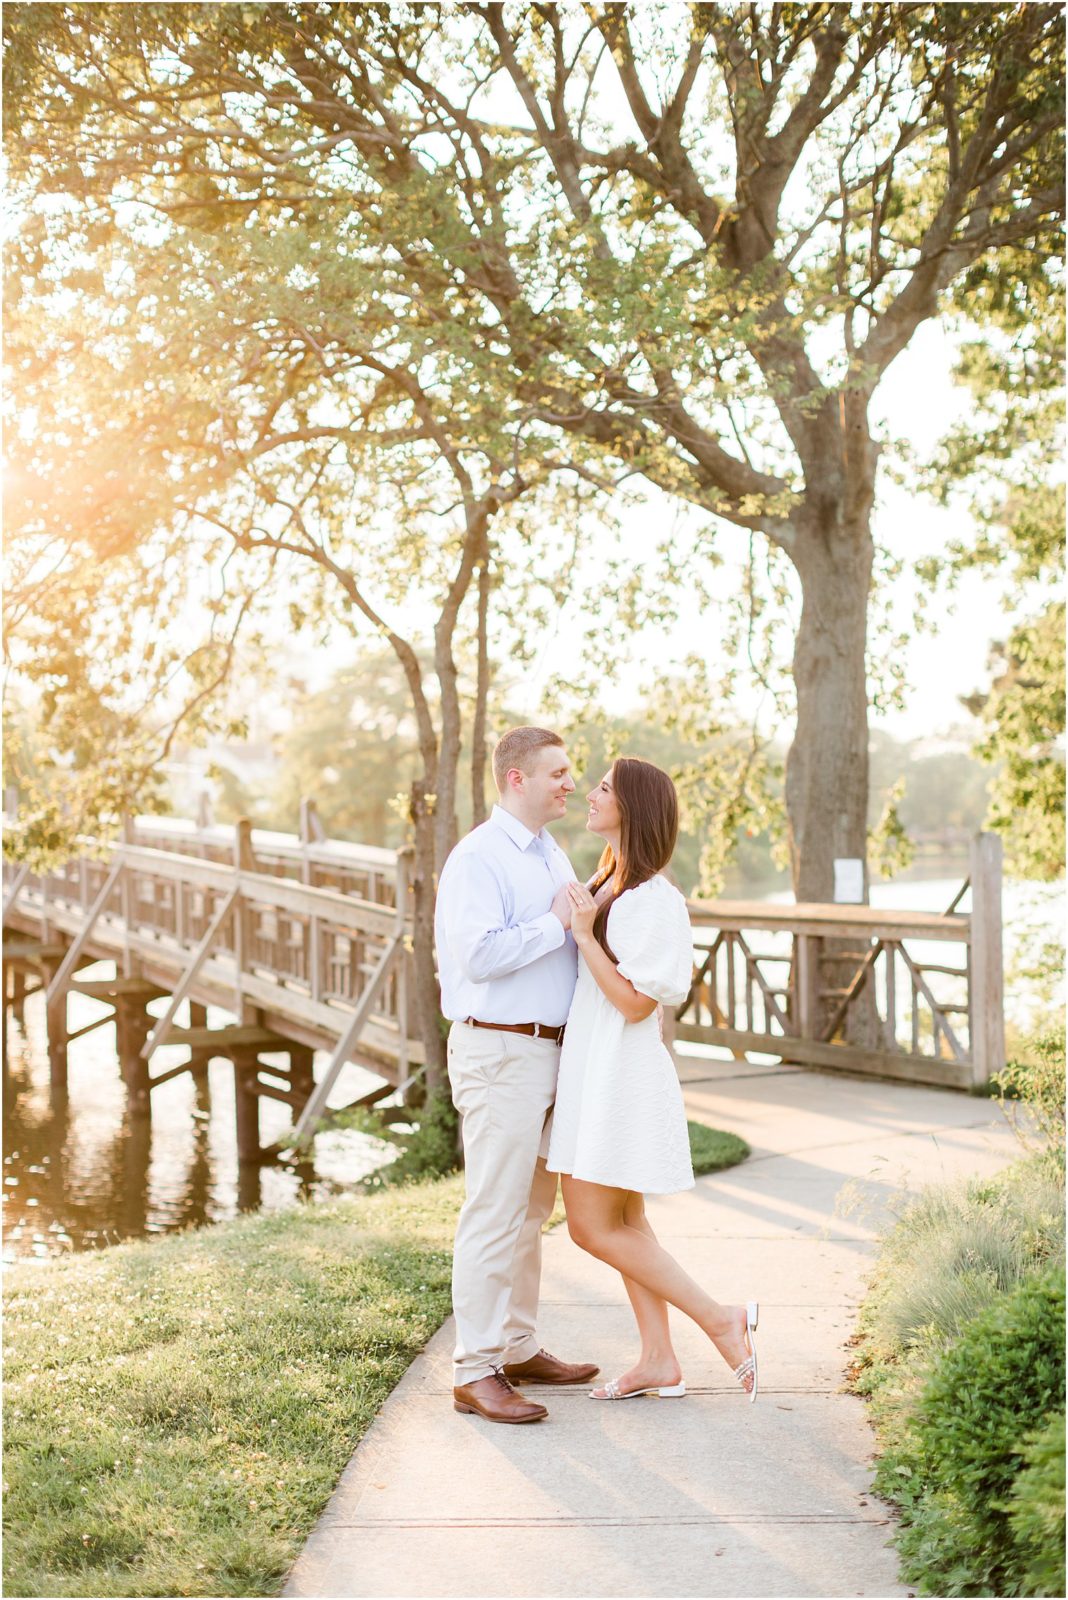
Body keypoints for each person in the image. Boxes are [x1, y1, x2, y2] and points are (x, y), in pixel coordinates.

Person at [546, 756, 759, 1403]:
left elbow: (638, 1003)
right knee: (627, 1222)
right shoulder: (611, 881)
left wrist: (583, 935)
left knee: (590, 1227)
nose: (589, 793)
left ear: (632, 807)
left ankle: (721, 1319)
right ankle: (659, 1360)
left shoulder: (651, 899)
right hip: (596, 1066)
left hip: (620, 1073)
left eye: (604, 788)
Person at [434, 725, 600, 1425]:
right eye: (557, 773)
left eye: (569, 772)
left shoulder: (549, 850)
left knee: (532, 1211)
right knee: (495, 1210)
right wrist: (556, 923)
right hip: (500, 1053)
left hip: (546, 1052)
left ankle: (519, 1345)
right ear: (516, 780)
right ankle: (475, 1370)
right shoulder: (479, 858)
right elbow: (479, 956)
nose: (569, 783)